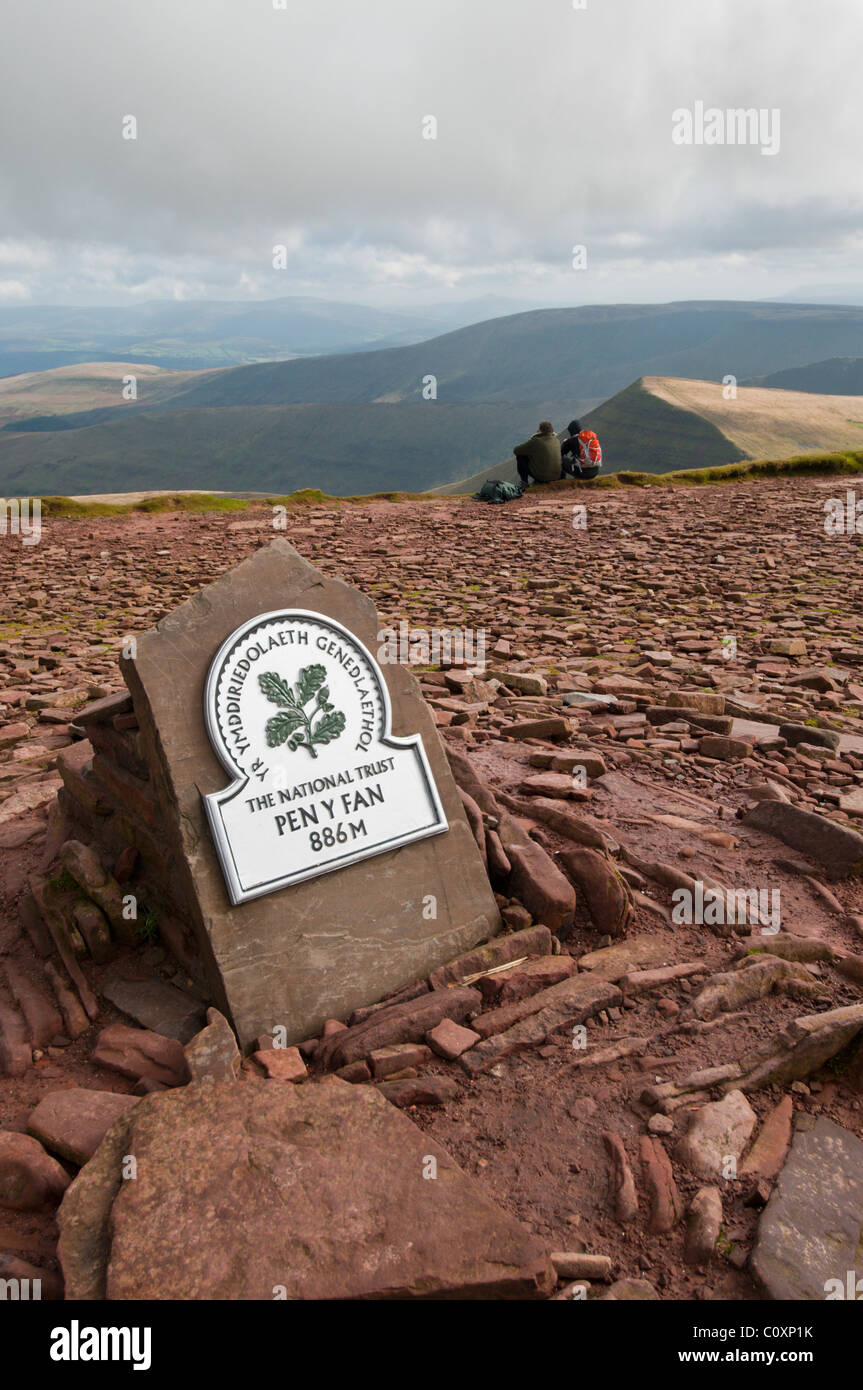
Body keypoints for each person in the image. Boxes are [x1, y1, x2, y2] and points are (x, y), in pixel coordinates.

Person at [513, 421, 563, 486]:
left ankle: (524, 482)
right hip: (557, 476)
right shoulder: (556, 440)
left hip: (542, 477)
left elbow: (516, 450)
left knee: (520, 456)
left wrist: (535, 437)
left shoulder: (536, 441)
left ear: (540, 430)